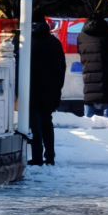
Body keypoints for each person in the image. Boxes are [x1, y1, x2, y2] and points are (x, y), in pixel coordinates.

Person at [27, 20, 66, 166]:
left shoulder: (30, 43)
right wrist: (58, 87)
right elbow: (62, 67)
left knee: (35, 124)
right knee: (47, 123)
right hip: (51, 91)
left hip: (33, 90)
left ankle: (37, 156)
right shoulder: (55, 43)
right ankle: (50, 156)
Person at [76, 15, 108, 118]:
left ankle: (88, 124)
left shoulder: (81, 36)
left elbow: (80, 52)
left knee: (89, 100)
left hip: (88, 75)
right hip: (106, 76)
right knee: (107, 102)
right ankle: (106, 128)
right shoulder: (107, 35)